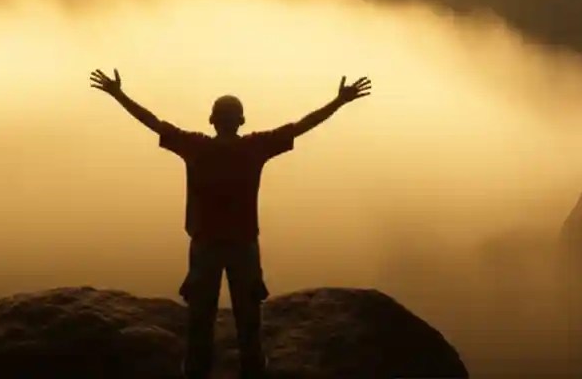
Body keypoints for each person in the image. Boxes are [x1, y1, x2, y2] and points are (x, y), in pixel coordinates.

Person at [89, 68, 372, 379]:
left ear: (212, 120)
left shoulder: (197, 146)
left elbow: (153, 122)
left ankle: (198, 371)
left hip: (206, 245)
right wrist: (339, 101)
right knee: (248, 318)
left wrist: (118, 95)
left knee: (201, 318)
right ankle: (251, 370)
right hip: (242, 245)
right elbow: (302, 126)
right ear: (241, 120)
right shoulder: (253, 147)